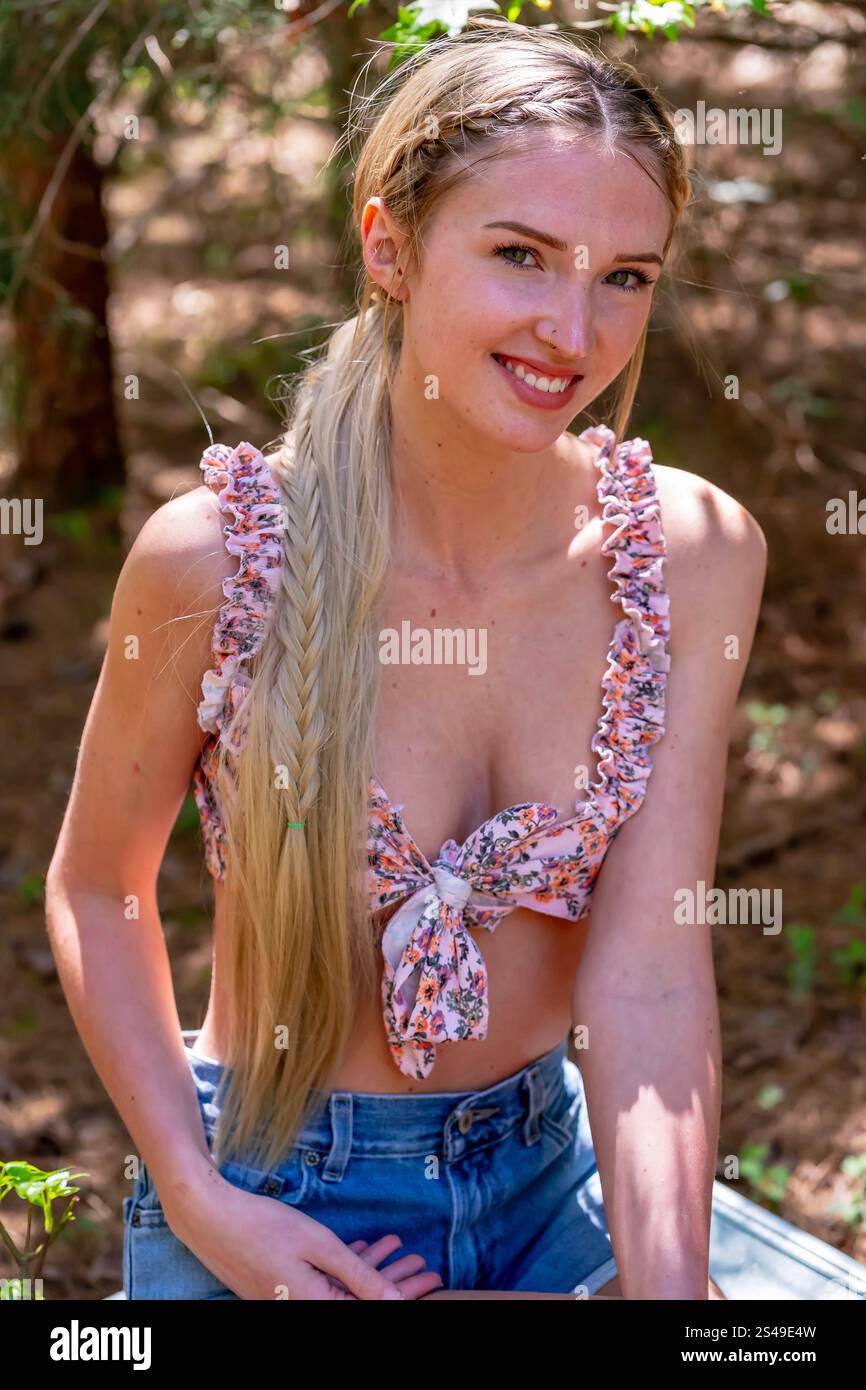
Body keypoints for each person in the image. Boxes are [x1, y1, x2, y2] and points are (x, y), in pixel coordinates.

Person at [45, 19, 766, 1300]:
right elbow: (100, 889)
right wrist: (203, 1202)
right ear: (387, 246)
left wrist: (672, 1290)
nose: (570, 328)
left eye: (623, 277)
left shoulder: (689, 554)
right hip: (278, 1202)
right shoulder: (219, 562)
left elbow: (650, 959)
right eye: (519, 256)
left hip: (552, 1190)